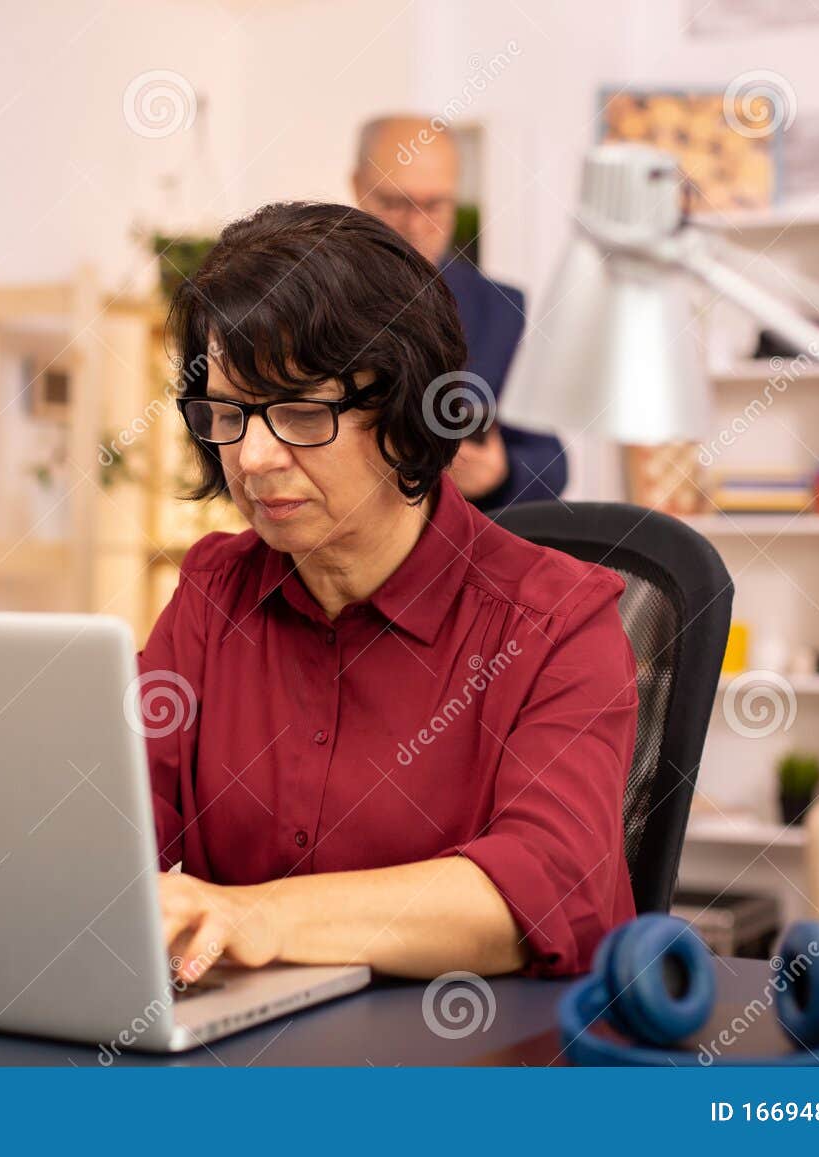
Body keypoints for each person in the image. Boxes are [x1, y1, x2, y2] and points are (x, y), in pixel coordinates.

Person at [140, 202, 637, 985]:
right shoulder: (213, 593)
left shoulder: (559, 622)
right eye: (228, 414)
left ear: (407, 412)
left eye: (303, 413)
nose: (254, 456)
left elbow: (541, 886)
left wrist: (259, 915)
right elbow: (115, 816)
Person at [351, 115, 567, 509]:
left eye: (434, 204)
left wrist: (499, 472)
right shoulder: (309, 300)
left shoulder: (497, 308)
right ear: (358, 188)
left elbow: (551, 464)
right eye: (395, 203)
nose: (414, 224)